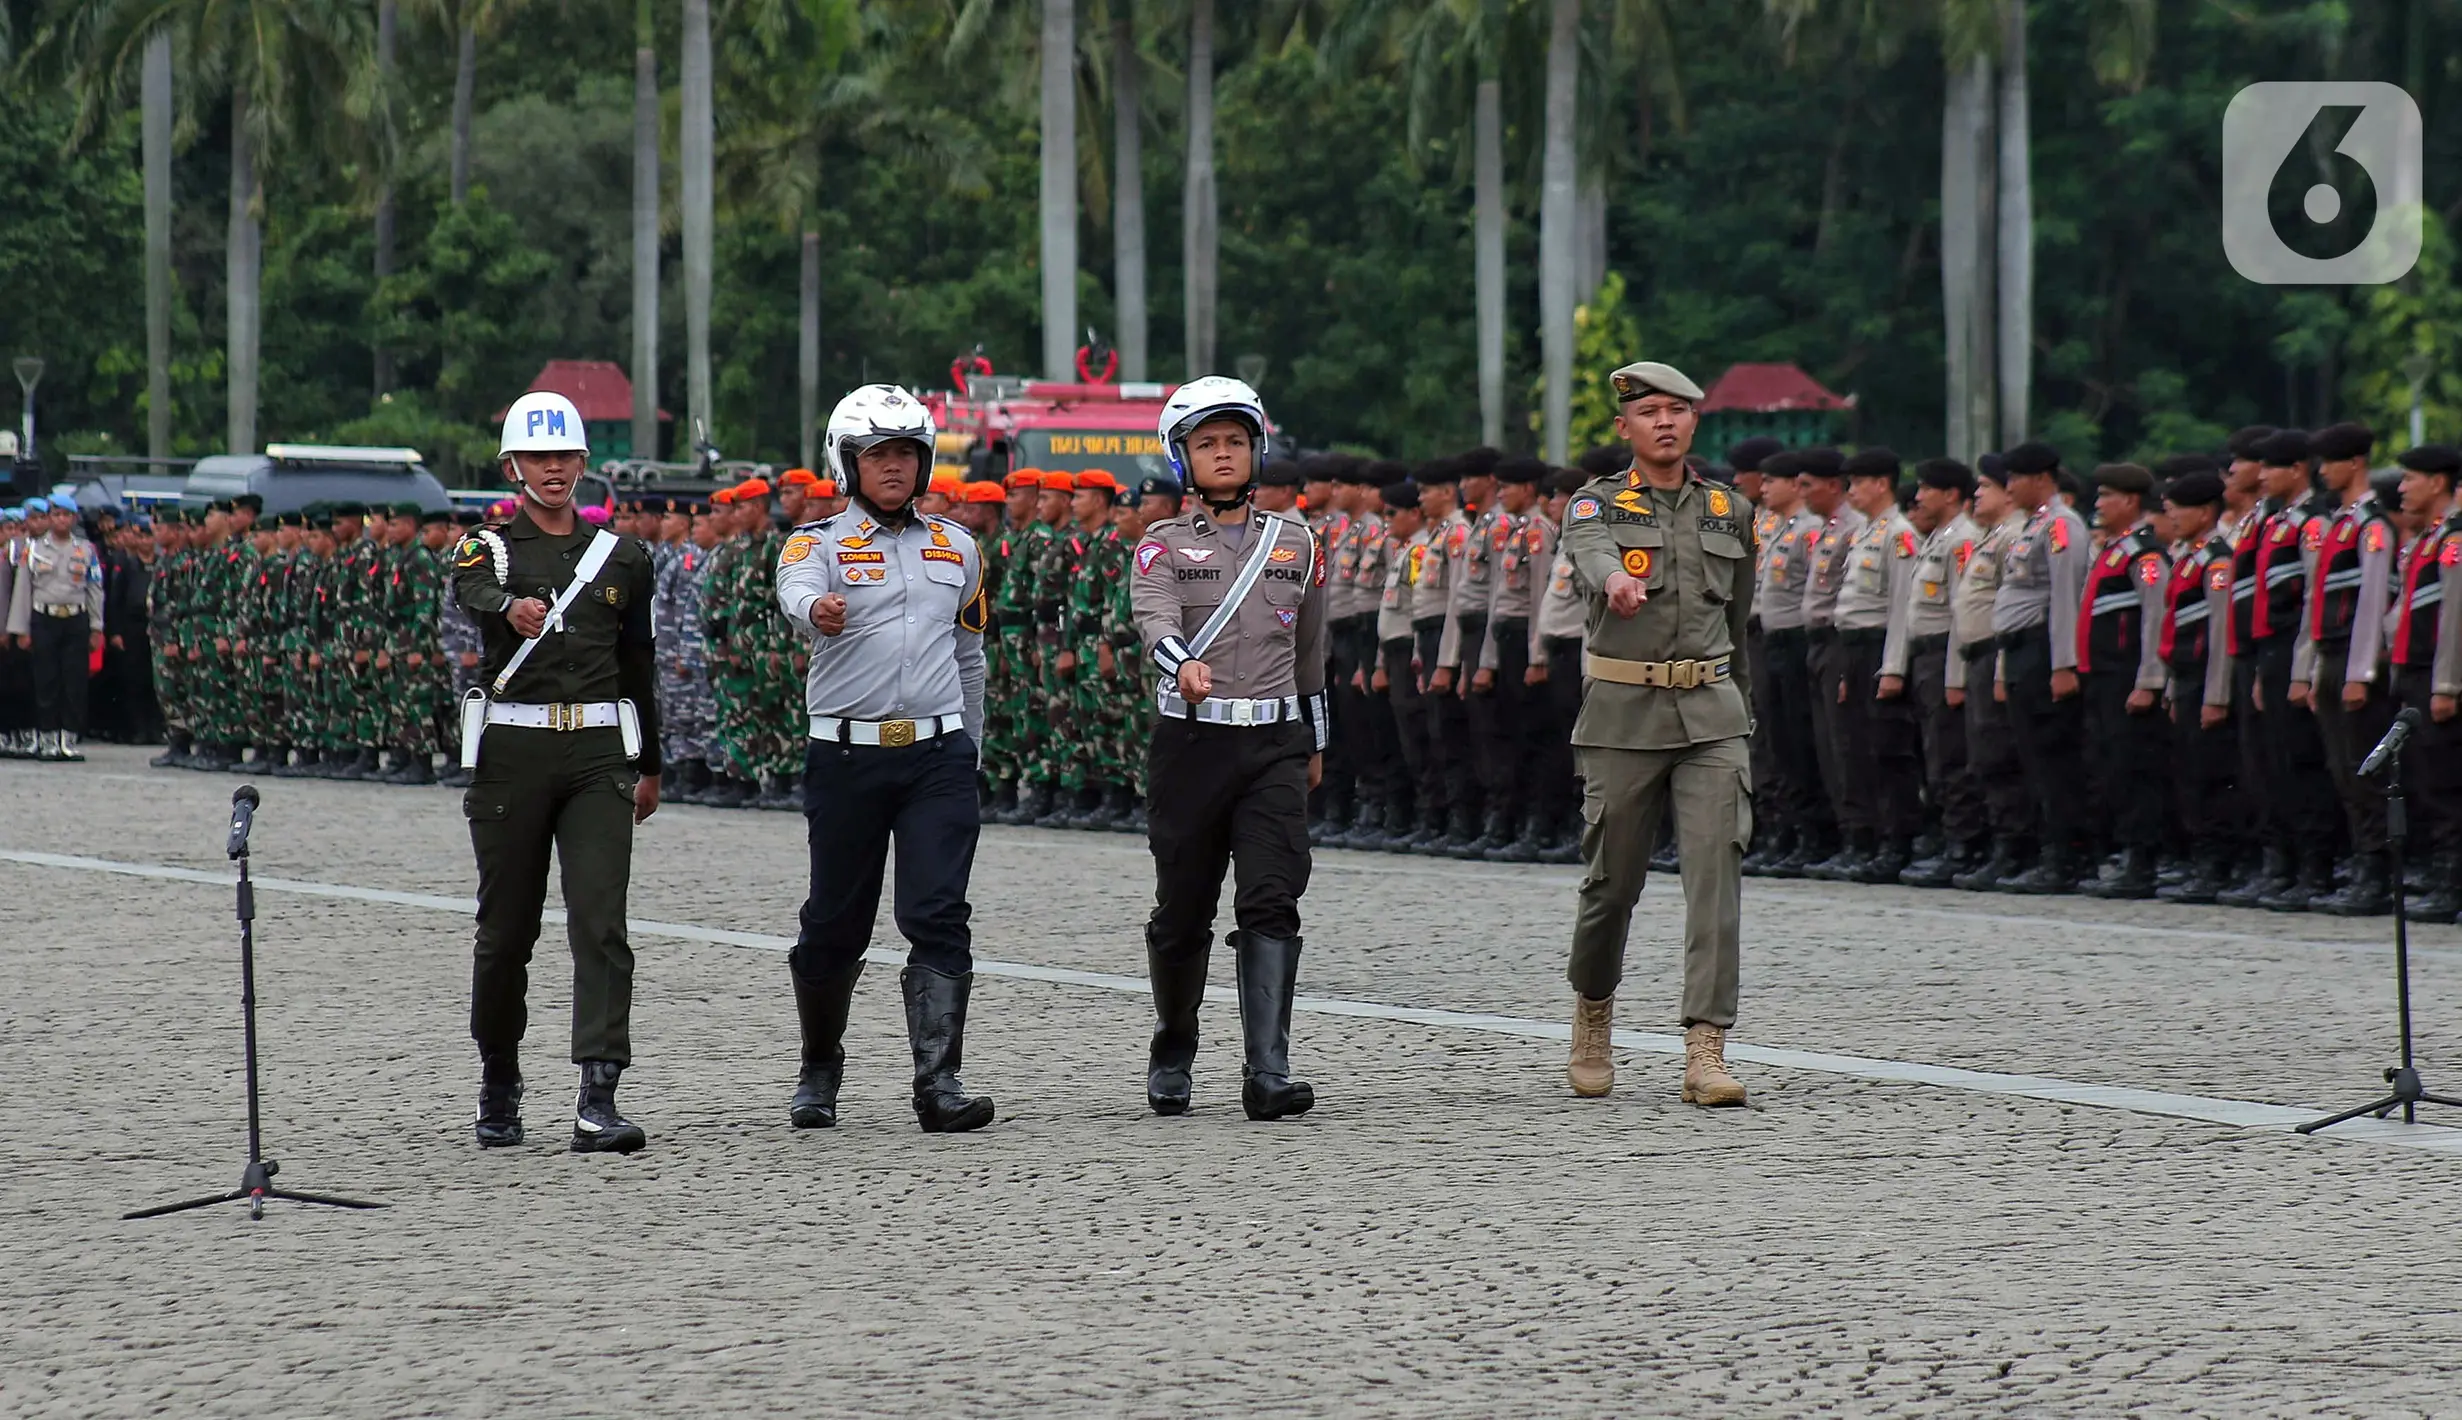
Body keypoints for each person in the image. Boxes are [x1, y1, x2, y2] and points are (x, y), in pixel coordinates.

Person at [774, 384, 995, 1135]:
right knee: (836, 922)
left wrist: (971, 746)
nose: (895, 468)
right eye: (879, 455)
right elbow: (795, 590)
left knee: (938, 913)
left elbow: (971, 656)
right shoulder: (817, 544)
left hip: (937, 755)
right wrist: (817, 610)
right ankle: (819, 1064)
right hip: (846, 756)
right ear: (847, 464)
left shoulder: (958, 548)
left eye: (907, 453)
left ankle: (939, 1081)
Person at [452, 391, 663, 1153]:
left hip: (599, 754)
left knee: (602, 926)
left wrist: (651, 764)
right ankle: (499, 1077)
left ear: (582, 464)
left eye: (565, 457)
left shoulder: (624, 557)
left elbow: (639, 665)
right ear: (512, 466)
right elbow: (471, 587)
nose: (553, 469)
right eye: (538, 458)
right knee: (505, 933)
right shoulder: (488, 548)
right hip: (513, 755)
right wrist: (509, 609)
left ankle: (598, 1095)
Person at [1558, 361, 1755, 1108]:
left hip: (1712, 716)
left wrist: (1746, 714)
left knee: (1715, 882)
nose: (1665, 423)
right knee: (1613, 885)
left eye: (1678, 411)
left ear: (1694, 422)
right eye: (1650, 413)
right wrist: (1613, 579)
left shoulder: (1728, 509)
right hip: (1622, 716)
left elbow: (1740, 624)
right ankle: (1593, 1014)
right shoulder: (1594, 504)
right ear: (1625, 428)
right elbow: (1592, 554)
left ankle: (1707, 1048)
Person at [1132, 374, 1330, 1121]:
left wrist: (1316, 739)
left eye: (1235, 442)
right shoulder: (1162, 547)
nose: (1224, 455)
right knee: (1183, 909)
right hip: (1192, 743)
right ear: (1182, 458)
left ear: (1257, 452)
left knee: (1273, 896)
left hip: (1274, 742)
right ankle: (1174, 1044)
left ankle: (1268, 1070)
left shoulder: (1298, 543)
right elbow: (1154, 621)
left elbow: (1312, 652)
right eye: (1208, 443)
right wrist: (1181, 664)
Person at [2295, 422, 2399, 915]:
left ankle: (2377, 871)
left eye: (2330, 462)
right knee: (2341, 768)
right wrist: (2314, 668)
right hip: (2332, 655)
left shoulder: (2371, 525)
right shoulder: (2340, 523)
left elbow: (2373, 599)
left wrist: (2360, 672)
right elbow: (2318, 601)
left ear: (2354, 463)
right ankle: (2363, 862)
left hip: (2355, 660)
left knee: (2364, 769)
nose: (2322, 471)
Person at [1988, 441, 2093, 893]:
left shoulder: (2061, 527)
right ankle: (2051, 851)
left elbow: (2066, 599)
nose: (2008, 487)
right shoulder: (2036, 525)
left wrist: (2064, 664)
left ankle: (2067, 857)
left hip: (2044, 651)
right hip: (2020, 650)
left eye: (2015, 478)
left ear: (2042, 479)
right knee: (2032, 757)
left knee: (2054, 758)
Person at [2072, 464, 2171, 898]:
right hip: (2102, 677)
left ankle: (2142, 859)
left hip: (2126, 676)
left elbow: (2156, 617)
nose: (2098, 504)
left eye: (2107, 495)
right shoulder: (2114, 550)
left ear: (2130, 502)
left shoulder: (2144, 555)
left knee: (2134, 769)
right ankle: (2124, 851)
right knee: (2108, 766)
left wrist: (2149, 679)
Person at [1885, 458, 1984, 885]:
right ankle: (1948, 839)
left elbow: (1963, 611)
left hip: (1945, 653)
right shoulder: (1938, 537)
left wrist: (1955, 676)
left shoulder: (1962, 539)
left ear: (1950, 495)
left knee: (1949, 754)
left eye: (1927, 489)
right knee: (1935, 754)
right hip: (1925, 655)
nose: (1919, 496)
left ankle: (1963, 845)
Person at [2150, 464, 2242, 903]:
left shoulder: (2216, 560)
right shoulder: (2188, 557)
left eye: (2181, 510)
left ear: (2205, 512)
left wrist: (2217, 694)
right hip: (2184, 678)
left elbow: (2222, 632)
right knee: (2187, 772)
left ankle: (2216, 862)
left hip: (2206, 679)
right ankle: (2200, 856)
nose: (2173, 519)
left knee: (2210, 775)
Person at [1828, 448, 1921, 881]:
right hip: (1854, 649)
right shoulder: (1866, 532)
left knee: (1888, 751)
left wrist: (1894, 667)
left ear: (1881, 484)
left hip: (1880, 646)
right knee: (1859, 749)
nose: (1851, 492)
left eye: (1857, 483)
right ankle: (1869, 839)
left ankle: (1896, 841)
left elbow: (1903, 606)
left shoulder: (1899, 534)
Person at [7, 497, 106, 760]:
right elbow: (23, 590)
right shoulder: (35, 550)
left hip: (75, 618)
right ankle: (48, 737)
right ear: (50, 518)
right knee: (46, 679)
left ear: (73, 519)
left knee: (74, 681)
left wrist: (97, 626)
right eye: (57, 514)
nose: (61, 520)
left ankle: (68, 738)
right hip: (44, 618)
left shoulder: (86, 550)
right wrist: (21, 629)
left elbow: (95, 589)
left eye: (66, 515)